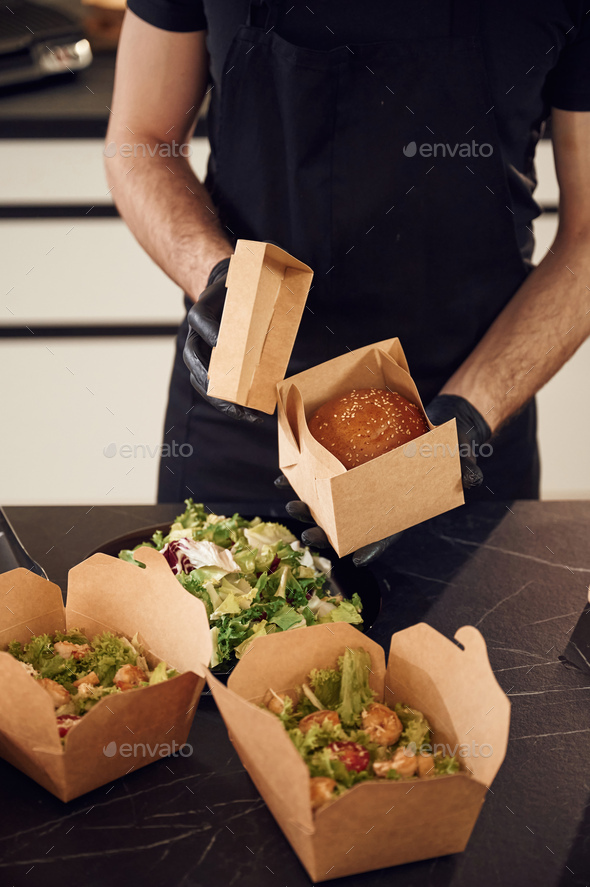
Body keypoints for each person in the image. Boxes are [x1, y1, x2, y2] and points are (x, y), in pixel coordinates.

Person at [105, 1, 590, 561]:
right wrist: (216, 276)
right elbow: (140, 140)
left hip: (464, 418)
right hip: (243, 404)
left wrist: (470, 419)